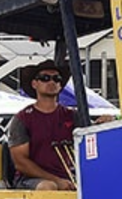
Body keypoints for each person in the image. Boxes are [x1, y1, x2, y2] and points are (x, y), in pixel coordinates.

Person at [7, 60, 79, 190]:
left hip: (68, 177)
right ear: (34, 84)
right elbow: (20, 163)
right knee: (48, 186)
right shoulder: (23, 119)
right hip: (29, 180)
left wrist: (104, 122)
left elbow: (90, 138)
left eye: (56, 79)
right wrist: (56, 180)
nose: (52, 82)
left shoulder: (72, 116)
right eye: (45, 78)